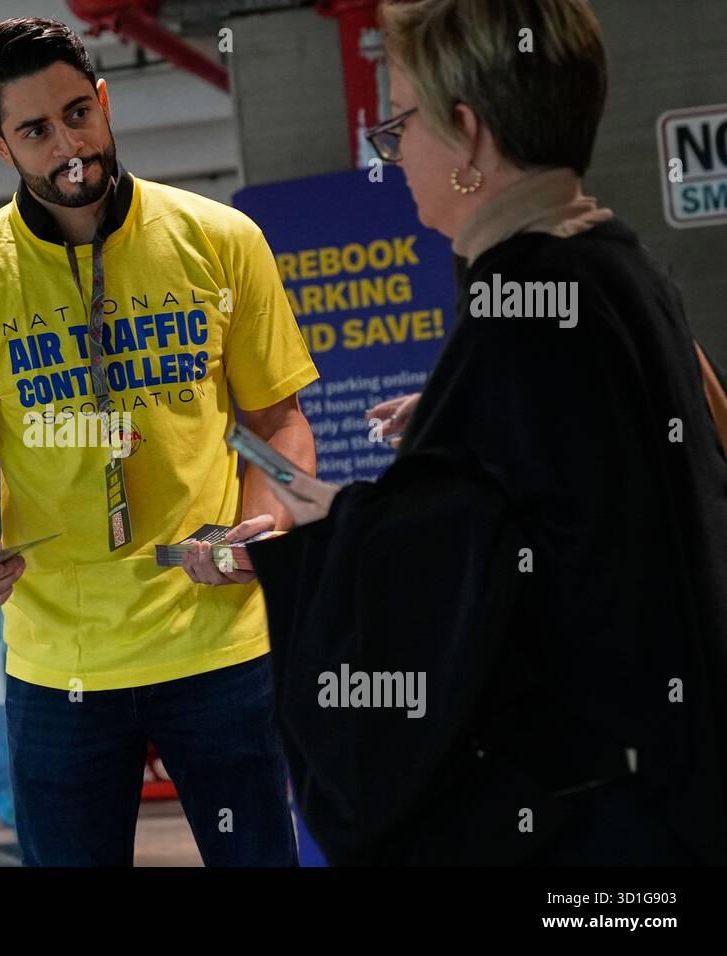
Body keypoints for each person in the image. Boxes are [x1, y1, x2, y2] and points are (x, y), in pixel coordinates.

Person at [251, 0, 727, 866]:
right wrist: (446, 436)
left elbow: (451, 595)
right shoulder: (618, 264)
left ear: (466, 135)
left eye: (399, 128)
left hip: (589, 833)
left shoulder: (522, 303)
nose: (393, 159)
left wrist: (330, 530)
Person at [0, 17, 320, 866]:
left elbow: (278, 424)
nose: (69, 147)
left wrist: (262, 529)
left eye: (77, 114)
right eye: (34, 130)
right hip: (60, 666)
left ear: (103, 101)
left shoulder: (221, 239)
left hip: (218, 643)